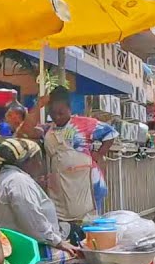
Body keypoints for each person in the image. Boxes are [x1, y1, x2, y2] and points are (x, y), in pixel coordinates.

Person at [40, 88, 116, 238]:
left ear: (69, 108)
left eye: (61, 112)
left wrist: (98, 154)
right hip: (62, 183)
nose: (57, 117)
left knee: (89, 221)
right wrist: (38, 105)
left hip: (88, 182)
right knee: (66, 220)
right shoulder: (49, 128)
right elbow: (26, 131)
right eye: (53, 113)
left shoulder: (85, 123)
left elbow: (110, 133)